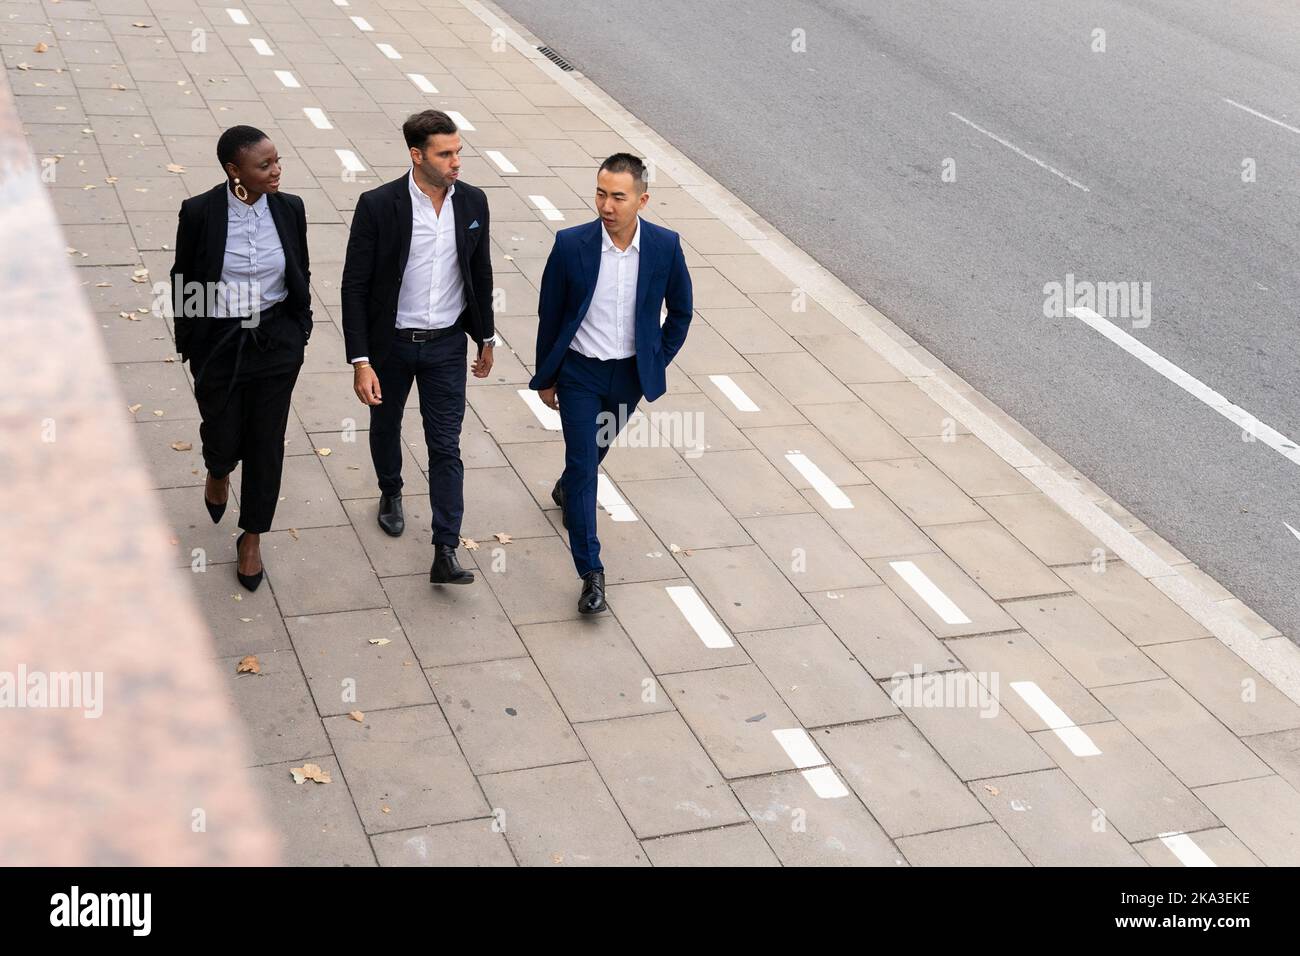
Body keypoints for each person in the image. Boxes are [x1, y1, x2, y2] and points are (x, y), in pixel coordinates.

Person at [530, 153, 693, 614]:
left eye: (617, 196)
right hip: (579, 372)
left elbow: (680, 311)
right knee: (585, 465)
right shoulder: (570, 244)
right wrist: (546, 375)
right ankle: (591, 572)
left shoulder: (664, 246)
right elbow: (551, 313)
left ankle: (565, 489)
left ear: (641, 199)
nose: (606, 205)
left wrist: (658, 359)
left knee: (596, 450)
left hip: (628, 377)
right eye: (600, 193)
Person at [341, 110, 496, 585]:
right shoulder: (378, 205)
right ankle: (391, 490)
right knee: (385, 424)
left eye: (458, 152)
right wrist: (361, 360)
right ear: (417, 155)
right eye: (445, 154)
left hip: (447, 344)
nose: (456, 162)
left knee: (445, 445)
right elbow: (355, 286)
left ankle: (445, 548)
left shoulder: (472, 203)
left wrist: (486, 335)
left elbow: (481, 271)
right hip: (391, 343)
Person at [170, 126, 311, 592]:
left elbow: (299, 269)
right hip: (221, 343)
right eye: (264, 165)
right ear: (235, 172)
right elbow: (184, 277)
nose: (276, 171)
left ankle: (252, 535)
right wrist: (190, 343)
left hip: (275, 342)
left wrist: (300, 329)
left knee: (267, 442)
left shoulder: (289, 209)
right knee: (223, 432)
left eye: (276, 161)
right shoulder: (200, 212)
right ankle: (217, 469)